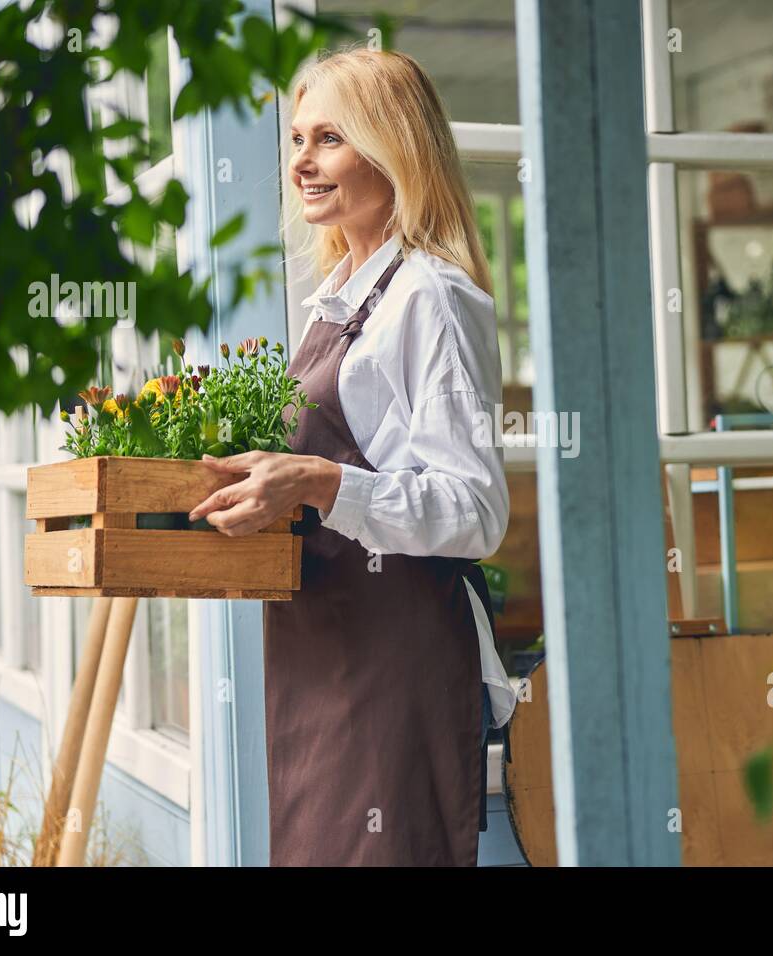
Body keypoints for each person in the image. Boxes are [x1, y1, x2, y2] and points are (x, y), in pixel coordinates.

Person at [187, 47, 515, 866]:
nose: (301, 161)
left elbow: (476, 510)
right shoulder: (340, 301)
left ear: (392, 147)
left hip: (390, 663)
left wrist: (320, 480)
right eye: (297, 138)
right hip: (316, 653)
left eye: (329, 138)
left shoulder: (430, 298)